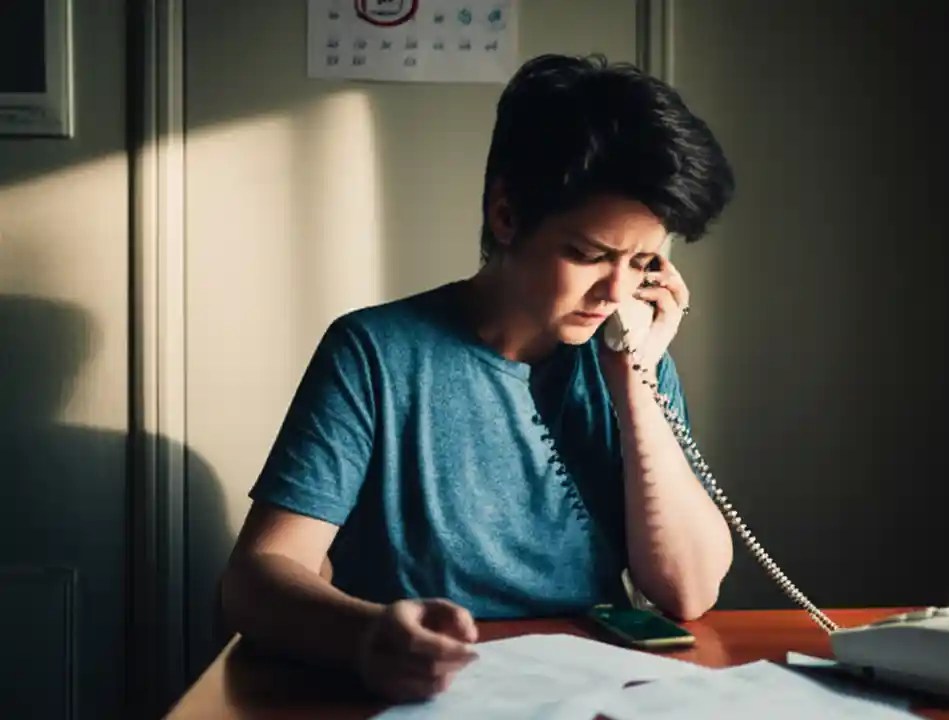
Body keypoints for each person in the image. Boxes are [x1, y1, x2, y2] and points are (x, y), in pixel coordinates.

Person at [219, 53, 736, 702]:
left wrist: (633, 377)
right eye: (588, 256)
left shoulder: (630, 354)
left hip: (586, 692)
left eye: (642, 263)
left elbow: (687, 590)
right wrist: (369, 636)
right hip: (423, 688)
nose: (616, 290)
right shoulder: (374, 352)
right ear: (506, 215)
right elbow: (257, 575)